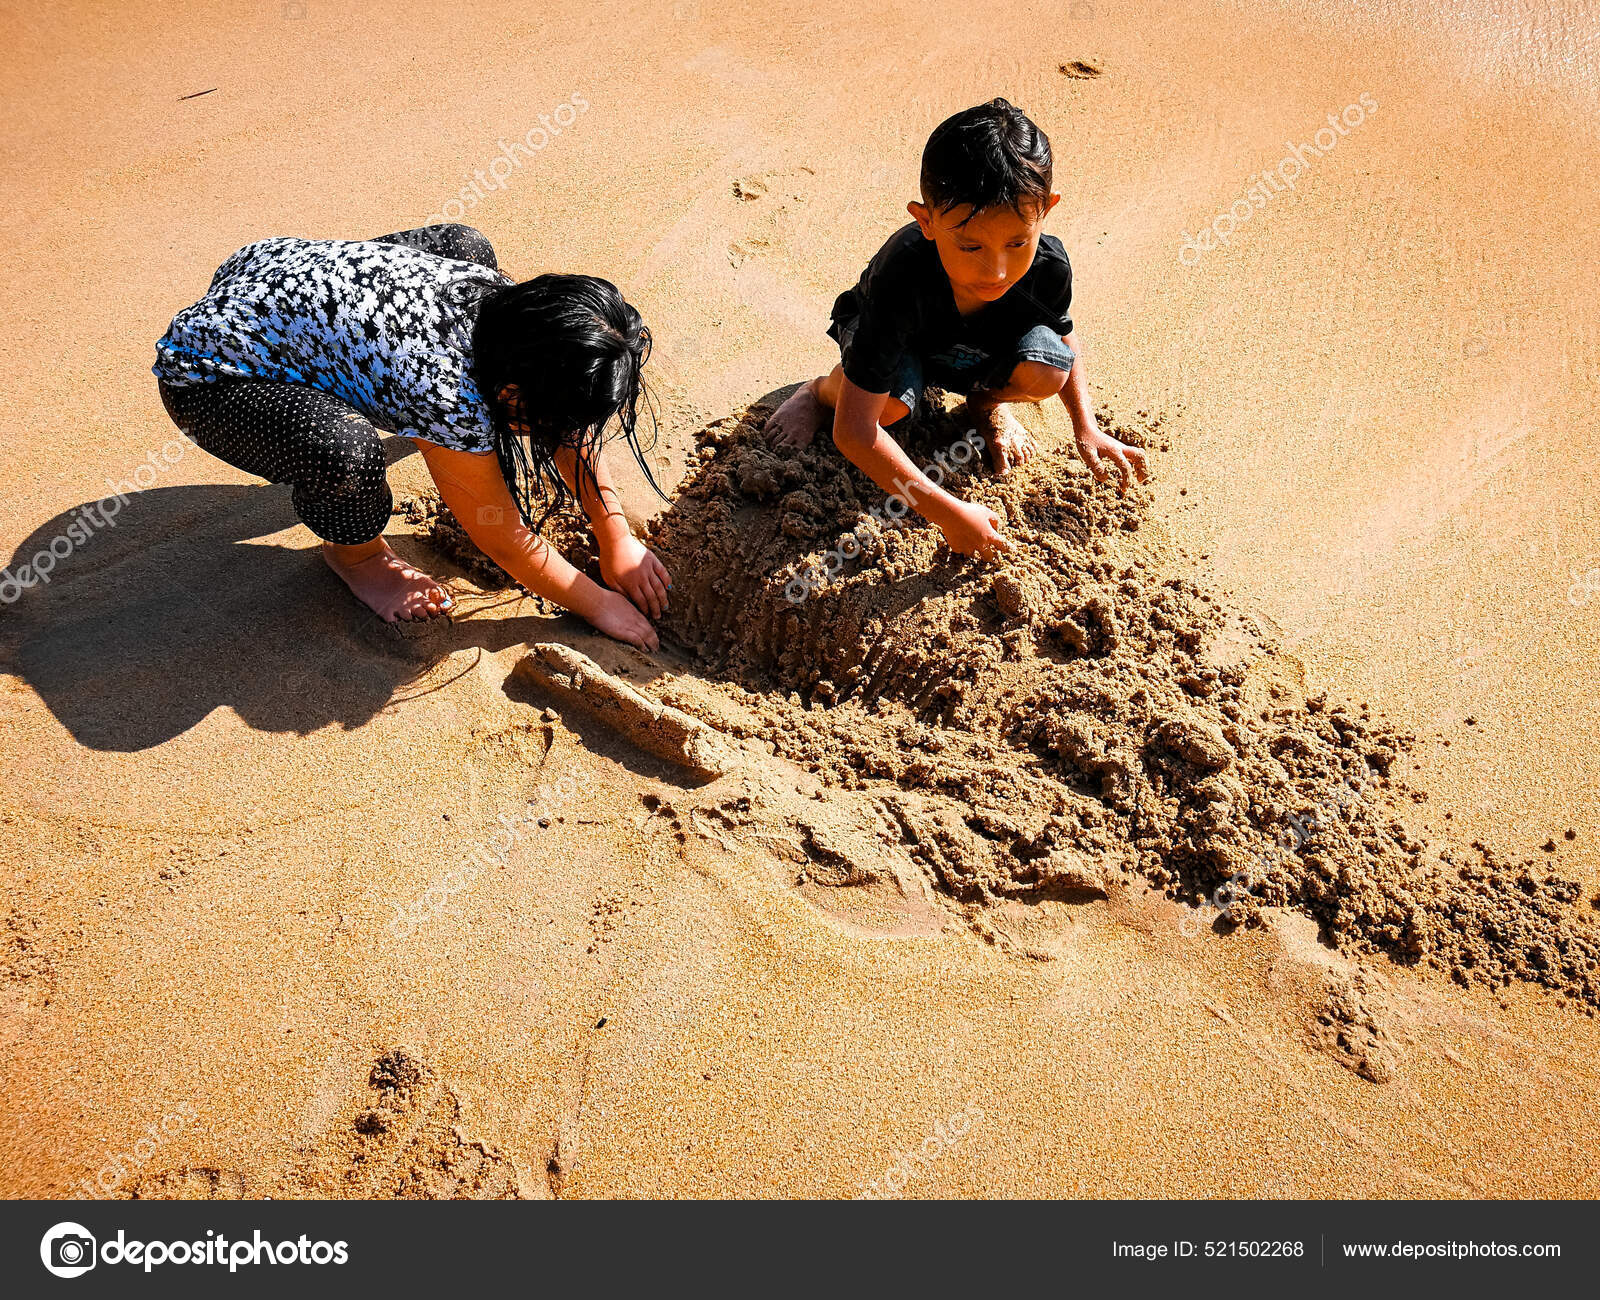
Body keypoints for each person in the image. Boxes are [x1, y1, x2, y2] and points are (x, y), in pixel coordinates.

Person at [153, 223, 670, 649]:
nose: (561, 431)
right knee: (347, 453)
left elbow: (563, 418)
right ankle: (357, 558)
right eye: (546, 418)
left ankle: (359, 373)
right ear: (511, 391)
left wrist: (614, 533)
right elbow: (499, 533)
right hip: (209, 377)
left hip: (267, 267)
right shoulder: (448, 396)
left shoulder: (498, 302)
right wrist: (598, 603)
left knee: (467, 243)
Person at [766, 98, 1149, 558]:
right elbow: (854, 433)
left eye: (1017, 241)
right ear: (926, 221)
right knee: (886, 410)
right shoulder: (902, 275)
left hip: (977, 351)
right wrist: (950, 514)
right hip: (902, 344)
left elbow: (1064, 336)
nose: (998, 269)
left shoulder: (1049, 267)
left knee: (1051, 370)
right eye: (969, 246)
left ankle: (985, 403)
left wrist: (1086, 428)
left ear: (1046, 210)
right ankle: (819, 391)